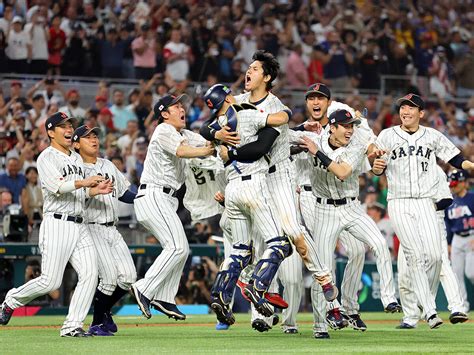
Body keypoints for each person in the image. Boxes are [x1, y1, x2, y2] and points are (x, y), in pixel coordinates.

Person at [207, 51, 336, 333]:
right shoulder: (238, 102)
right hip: (252, 181)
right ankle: (255, 296)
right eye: (248, 68)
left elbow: (261, 145)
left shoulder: (275, 106)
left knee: (294, 233)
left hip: (278, 176)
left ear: (266, 77)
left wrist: (290, 124)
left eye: (254, 69)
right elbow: (211, 125)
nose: (248, 72)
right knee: (255, 243)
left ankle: (324, 279)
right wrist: (215, 135)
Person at [0, 112, 113, 337]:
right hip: (57, 223)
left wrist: (92, 190)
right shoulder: (46, 157)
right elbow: (58, 187)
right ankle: (10, 301)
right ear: (51, 132)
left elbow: (79, 192)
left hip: (80, 224)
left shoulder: (76, 158)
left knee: (91, 273)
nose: (69, 129)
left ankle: (72, 326)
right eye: (62, 126)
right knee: (50, 281)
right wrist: (85, 182)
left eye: (70, 125)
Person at [372, 93, 474, 329]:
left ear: (421, 113)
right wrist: (376, 166)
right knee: (415, 256)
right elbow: (375, 162)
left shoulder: (432, 135)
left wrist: (471, 165)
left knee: (436, 256)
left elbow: (456, 159)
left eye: (411, 107)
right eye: (402, 107)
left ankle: (424, 306)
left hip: (425, 202)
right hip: (399, 201)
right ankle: (429, 311)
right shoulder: (387, 135)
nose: (405, 111)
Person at [299, 109, 400, 339]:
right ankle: (319, 325)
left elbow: (342, 172)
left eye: (352, 125)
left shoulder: (355, 144)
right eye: (345, 126)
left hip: (352, 207)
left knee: (379, 244)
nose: (350, 130)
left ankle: (389, 298)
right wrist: (300, 133)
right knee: (323, 270)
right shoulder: (315, 139)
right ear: (332, 127)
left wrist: (318, 153)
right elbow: (287, 138)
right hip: (324, 210)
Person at [130, 94, 214, 320]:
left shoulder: (183, 133)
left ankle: (165, 297)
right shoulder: (163, 129)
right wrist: (206, 151)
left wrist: (219, 136)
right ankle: (144, 288)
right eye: (176, 106)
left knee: (181, 249)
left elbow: (207, 143)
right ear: (164, 114)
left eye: (181, 105)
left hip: (165, 199)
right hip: (154, 194)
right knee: (177, 247)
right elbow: (182, 151)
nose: (181, 108)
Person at [72, 125, 137, 336]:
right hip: (91, 227)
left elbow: (124, 192)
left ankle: (104, 310)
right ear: (76, 144)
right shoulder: (74, 168)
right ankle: (96, 323)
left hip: (112, 228)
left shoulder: (107, 164)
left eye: (95, 136)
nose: (93, 140)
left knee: (128, 277)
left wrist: (145, 197)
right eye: (87, 137)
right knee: (108, 278)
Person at [397, 167, 469, 328]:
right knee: (403, 273)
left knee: (442, 264)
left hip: (433, 221)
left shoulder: (435, 170)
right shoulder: (402, 167)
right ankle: (410, 317)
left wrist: (424, 209)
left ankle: (457, 307)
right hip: (407, 222)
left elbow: (446, 199)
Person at [445, 169, 474, 314]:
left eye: (455, 184)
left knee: (471, 273)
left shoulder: (472, 197)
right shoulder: (450, 201)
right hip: (457, 239)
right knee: (456, 275)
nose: (453, 187)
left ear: (463, 182)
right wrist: (449, 243)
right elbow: (448, 225)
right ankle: (462, 307)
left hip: (472, 236)